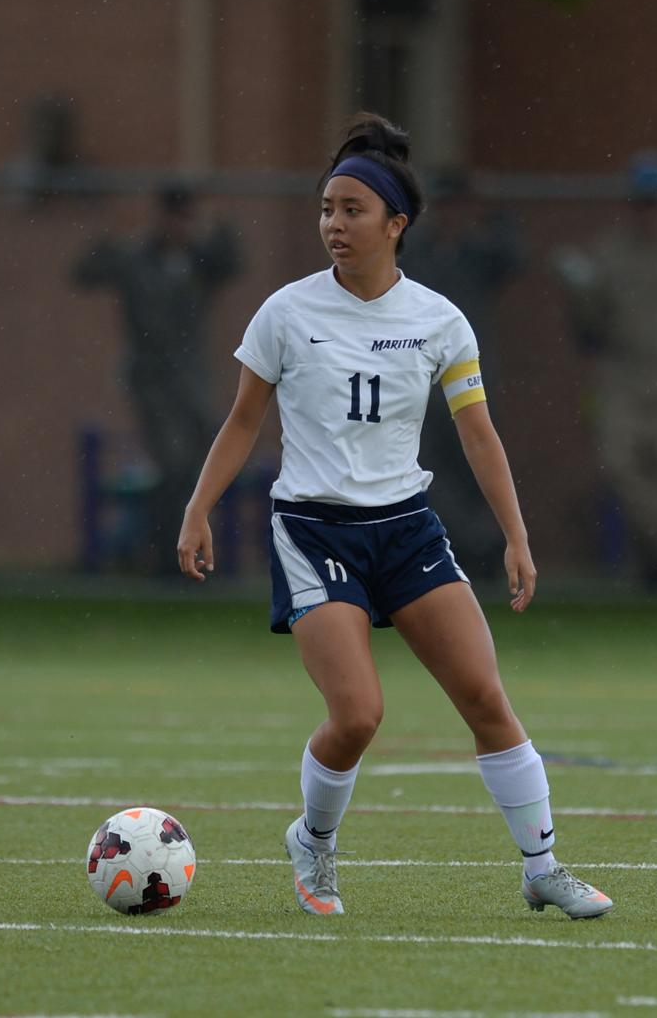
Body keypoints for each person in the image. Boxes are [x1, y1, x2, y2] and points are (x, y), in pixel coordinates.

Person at [176, 113, 613, 918]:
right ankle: (313, 840)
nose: (334, 226)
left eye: (352, 210)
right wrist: (199, 509)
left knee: (485, 698)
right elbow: (242, 422)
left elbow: (479, 435)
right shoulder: (284, 313)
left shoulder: (440, 321)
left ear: (395, 224)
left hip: (406, 527)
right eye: (326, 210)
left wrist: (517, 536)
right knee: (358, 715)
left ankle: (542, 868)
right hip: (313, 529)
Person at [551, 152, 657, 586]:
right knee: (619, 465)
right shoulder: (610, 254)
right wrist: (579, 290)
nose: (652, 212)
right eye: (644, 202)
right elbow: (589, 328)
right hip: (622, 375)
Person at [73, 183, 240, 567]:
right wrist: (111, 229)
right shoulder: (137, 258)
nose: (179, 227)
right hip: (151, 381)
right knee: (173, 462)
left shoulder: (199, 260)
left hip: (193, 382)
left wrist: (219, 221)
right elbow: (84, 272)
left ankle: (191, 554)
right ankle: (167, 558)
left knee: (204, 464)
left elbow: (233, 261)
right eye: (174, 218)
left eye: (186, 219)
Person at [401, 169, 524, 574]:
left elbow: (515, 258)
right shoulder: (418, 254)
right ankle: (462, 545)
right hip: (424, 379)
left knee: (478, 459)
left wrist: (494, 218)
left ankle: (486, 551)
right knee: (434, 467)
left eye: (459, 206)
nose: (452, 215)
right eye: (446, 206)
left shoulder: (478, 254)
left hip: (471, 377)